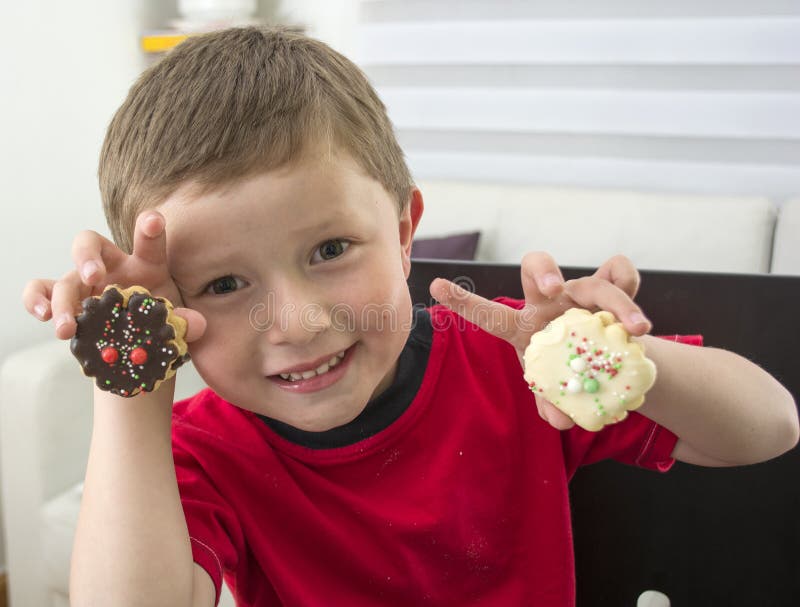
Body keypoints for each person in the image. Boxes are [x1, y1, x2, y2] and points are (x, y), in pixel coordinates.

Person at [22, 26, 798, 607]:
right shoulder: (201, 452)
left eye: (330, 247)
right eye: (223, 283)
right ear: (174, 310)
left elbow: (769, 426)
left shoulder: (511, 363)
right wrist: (131, 385)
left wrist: (602, 355)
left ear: (402, 232)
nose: (296, 322)